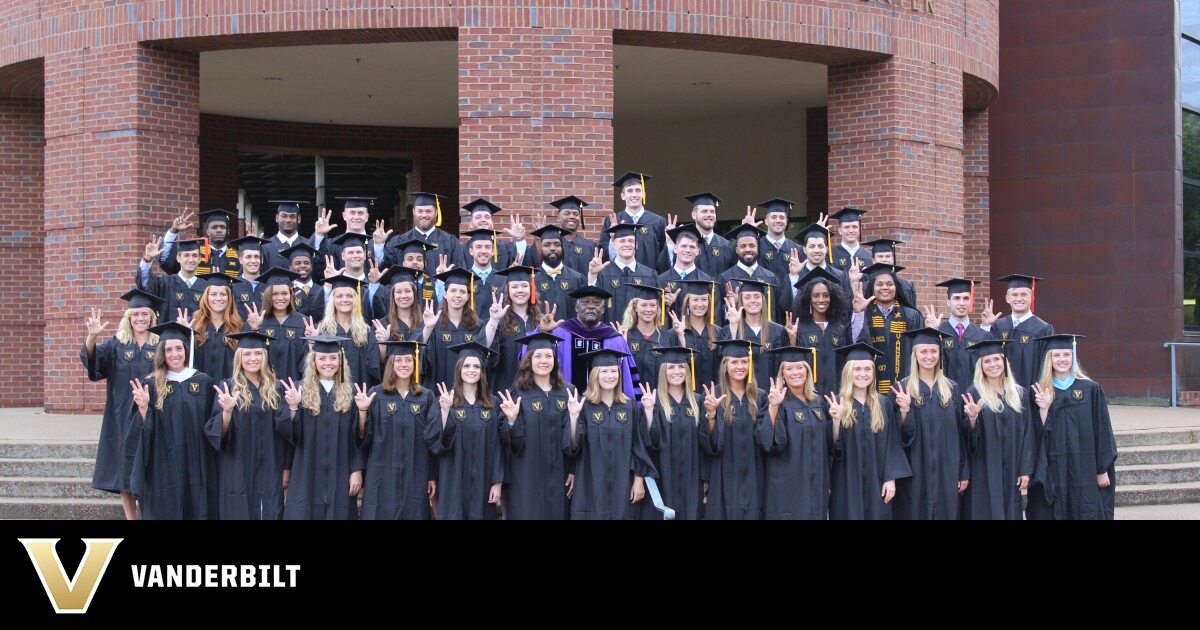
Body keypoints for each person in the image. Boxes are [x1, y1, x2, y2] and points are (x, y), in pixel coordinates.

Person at [81, 289, 163, 520]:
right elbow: (93, 361)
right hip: (121, 415)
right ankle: (131, 518)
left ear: (152, 317)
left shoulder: (160, 344)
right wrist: (92, 337)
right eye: (135, 314)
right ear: (128, 317)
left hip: (153, 413)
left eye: (145, 314)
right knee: (125, 469)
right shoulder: (117, 344)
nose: (140, 318)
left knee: (151, 466)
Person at [126, 322, 216, 520]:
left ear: (186, 350)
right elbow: (139, 432)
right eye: (168, 350)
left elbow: (213, 426)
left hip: (197, 461)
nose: (174, 354)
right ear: (161, 353)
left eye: (179, 348)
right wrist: (143, 408)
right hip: (163, 462)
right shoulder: (151, 384)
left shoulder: (204, 382)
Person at [205, 331, 291, 520]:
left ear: (265, 356)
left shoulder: (276, 388)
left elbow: (285, 433)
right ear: (239, 358)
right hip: (237, 464)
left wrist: (286, 467)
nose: (253, 358)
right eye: (247, 354)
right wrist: (227, 411)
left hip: (272, 464)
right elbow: (219, 434)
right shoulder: (228, 387)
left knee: (271, 510)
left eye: (258, 353)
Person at [1030, 334, 1117, 520]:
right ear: (1049, 359)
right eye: (1056, 355)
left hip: (1085, 467)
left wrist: (1102, 469)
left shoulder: (1091, 389)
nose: (1062, 359)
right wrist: (1044, 408)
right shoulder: (1040, 391)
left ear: (1073, 357)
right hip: (1053, 465)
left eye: (1066, 355)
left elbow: (1102, 430)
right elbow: (1035, 433)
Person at [278, 335, 364, 520]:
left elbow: (357, 437)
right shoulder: (299, 390)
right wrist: (293, 407)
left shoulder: (350, 393)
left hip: (340, 469)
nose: (328, 363)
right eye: (322, 358)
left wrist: (356, 469)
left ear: (341, 361)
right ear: (313, 362)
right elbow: (289, 436)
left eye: (333, 358)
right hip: (306, 469)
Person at [564, 348, 656, 520]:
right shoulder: (583, 405)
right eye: (604, 371)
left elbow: (638, 445)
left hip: (623, 484)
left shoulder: (629, 406)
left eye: (614, 371)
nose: (610, 376)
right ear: (595, 375)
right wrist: (574, 416)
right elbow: (574, 447)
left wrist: (639, 480)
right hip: (590, 482)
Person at [825, 342, 912, 520]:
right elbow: (831, 448)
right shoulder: (837, 404)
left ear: (873, 372)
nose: (863, 374)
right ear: (848, 372)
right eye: (857, 369)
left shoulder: (883, 404)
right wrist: (836, 421)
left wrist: (890, 478)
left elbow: (892, 443)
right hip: (846, 480)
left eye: (867, 369)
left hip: (877, 481)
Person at [891, 328, 970, 520]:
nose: (929, 356)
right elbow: (896, 437)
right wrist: (904, 410)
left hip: (947, 469)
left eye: (934, 351)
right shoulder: (902, 388)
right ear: (915, 355)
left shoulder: (951, 388)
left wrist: (963, 471)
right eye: (923, 351)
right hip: (914, 469)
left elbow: (960, 435)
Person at [358, 340, 438, 520]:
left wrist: (432, 475)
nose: (404, 365)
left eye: (408, 360)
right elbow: (363, 435)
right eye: (399, 360)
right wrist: (362, 411)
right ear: (391, 364)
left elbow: (432, 440)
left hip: (416, 472)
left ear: (415, 363)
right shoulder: (376, 394)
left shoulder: (426, 396)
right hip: (381, 473)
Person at [499, 332, 575, 520]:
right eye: (538, 356)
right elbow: (510, 444)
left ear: (555, 360)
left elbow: (575, 437)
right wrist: (511, 420)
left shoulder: (568, 392)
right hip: (526, 475)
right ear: (528, 361)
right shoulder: (516, 394)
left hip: (560, 474)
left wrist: (573, 470)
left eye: (548, 356)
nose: (544, 361)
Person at [425, 341, 504, 520]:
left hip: (484, 480)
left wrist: (497, 482)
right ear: (459, 369)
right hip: (453, 479)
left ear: (482, 371)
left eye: (477, 366)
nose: (471, 370)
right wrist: (445, 411)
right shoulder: (445, 401)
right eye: (467, 366)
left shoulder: (493, 404)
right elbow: (435, 444)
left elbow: (499, 446)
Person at [959, 339, 1034, 520]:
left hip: (1012, 467)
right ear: (981, 366)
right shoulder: (973, 393)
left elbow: (1028, 433)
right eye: (987, 361)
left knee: (1010, 509)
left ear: (1004, 362)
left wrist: (1025, 469)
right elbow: (966, 437)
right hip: (983, 467)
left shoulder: (1019, 394)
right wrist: (972, 418)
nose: (993, 365)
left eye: (996, 359)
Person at [756, 346, 831, 520]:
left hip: (816, 485)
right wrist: (774, 406)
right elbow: (767, 442)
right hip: (787, 486)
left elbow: (827, 445)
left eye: (799, 367)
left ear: (807, 371)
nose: (795, 372)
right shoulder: (775, 401)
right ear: (782, 374)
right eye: (789, 368)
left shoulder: (818, 402)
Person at [701, 339, 769, 520]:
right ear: (725, 366)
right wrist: (711, 413)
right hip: (723, 473)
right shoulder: (713, 395)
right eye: (734, 362)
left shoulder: (760, 397)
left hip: (754, 474)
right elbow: (710, 444)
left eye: (744, 362)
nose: (740, 367)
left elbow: (767, 439)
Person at [539, 286, 641, 400]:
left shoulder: (615, 339)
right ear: (577, 307)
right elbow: (532, 360)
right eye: (585, 302)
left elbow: (627, 378)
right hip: (564, 403)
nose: (591, 306)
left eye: (597, 303)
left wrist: (631, 406)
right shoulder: (559, 334)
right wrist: (542, 331)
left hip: (603, 407)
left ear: (603, 309)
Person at [640, 347, 706, 520]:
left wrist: (705, 478)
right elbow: (651, 443)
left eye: (681, 367)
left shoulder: (698, 401)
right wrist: (648, 412)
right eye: (671, 367)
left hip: (692, 478)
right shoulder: (654, 402)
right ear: (663, 371)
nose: (677, 371)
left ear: (687, 370)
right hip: (663, 475)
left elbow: (704, 443)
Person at [850, 262, 923, 395]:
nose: (885, 288)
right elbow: (855, 342)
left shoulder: (911, 316)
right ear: (872, 287)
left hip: (906, 389)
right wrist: (858, 313)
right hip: (871, 391)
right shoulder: (863, 314)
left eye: (890, 284)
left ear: (896, 287)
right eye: (879, 284)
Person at [982, 274, 1054, 390]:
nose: (1019, 298)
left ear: (1031, 297)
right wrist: (986, 326)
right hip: (1000, 391)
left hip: (1031, 391)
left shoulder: (1042, 329)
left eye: (1024, 294)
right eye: (1014, 295)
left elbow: (1046, 366)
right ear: (1007, 298)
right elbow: (984, 355)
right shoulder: (999, 326)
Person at [307, 275, 380, 388]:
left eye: (349, 296)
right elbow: (312, 366)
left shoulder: (366, 332)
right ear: (333, 300)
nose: (345, 300)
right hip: (331, 393)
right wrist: (312, 341)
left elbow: (374, 367)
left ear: (356, 300)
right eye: (339, 296)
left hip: (361, 391)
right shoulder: (321, 330)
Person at [422, 268, 488, 390]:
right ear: (445, 294)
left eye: (462, 292)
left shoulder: (477, 326)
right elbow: (421, 361)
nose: (458, 295)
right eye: (453, 290)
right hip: (437, 391)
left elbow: (484, 361)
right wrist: (428, 328)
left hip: (467, 392)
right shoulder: (433, 324)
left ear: (468, 296)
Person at [792, 266, 852, 396]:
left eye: (826, 295)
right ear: (808, 299)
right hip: (808, 395)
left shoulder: (839, 329)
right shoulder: (800, 328)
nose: (821, 300)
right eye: (815, 296)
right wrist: (792, 339)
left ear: (832, 298)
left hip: (836, 394)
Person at [723, 278, 791, 387]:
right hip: (743, 392)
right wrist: (734, 325)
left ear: (763, 300)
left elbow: (784, 364)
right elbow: (726, 358)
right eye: (747, 297)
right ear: (741, 301)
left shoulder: (778, 331)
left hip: (771, 392)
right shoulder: (731, 329)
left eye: (757, 296)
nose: (753, 301)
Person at [718, 223, 790, 323]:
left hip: (768, 332)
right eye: (743, 246)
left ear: (757, 248)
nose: (748, 249)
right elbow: (717, 316)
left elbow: (778, 313)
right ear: (737, 250)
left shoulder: (771, 278)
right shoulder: (724, 278)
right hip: (737, 331)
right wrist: (730, 306)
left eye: (752, 246)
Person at [589, 223, 659, 325]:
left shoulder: (649, 275)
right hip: (610, 331)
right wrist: (592, 275)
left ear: (636, 244)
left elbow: (656, 308)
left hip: (640, 333)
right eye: (622, 241)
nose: (627, 244)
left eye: (631, 241)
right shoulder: (603, 274)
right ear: (614, 245)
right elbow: (593, 303)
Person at [485, 265, 542, 392]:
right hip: (505, 388)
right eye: (514, 287)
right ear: (508, 291)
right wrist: (494, 320)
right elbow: (484, 348)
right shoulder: (499, 321)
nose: (520, 290)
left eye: (524, 286)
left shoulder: (540, 321)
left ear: (531, 289)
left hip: (535, 390)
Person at [183, 273, 245, 384]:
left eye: (223, 294)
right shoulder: (193, 324)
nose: (218, 298)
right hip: (199, 388)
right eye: (213, 294)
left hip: (229, 388)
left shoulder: (238, 326)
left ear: (229, 298)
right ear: (206, 297)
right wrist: (185, 335)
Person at [929, 278, 990, 390]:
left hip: (974, 395)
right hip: (944, 395)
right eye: (956, 298)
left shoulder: (982, 336)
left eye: (966, 298)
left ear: (971, 301)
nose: (962, 303)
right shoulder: (938, 333)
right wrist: (931, 332)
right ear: (948, 302)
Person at [248, 267, 306, 383]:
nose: (280, 298)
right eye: (274, 294)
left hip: (295, 386)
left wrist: (311, 342)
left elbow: (307, 362)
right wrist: (256, 330)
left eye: (285, 293)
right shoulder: (257, 322)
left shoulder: (303, 322)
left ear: (291, 295)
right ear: (267, 295)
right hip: (263, 386)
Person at [666, 279, 726, 390]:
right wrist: (681, 335)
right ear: (688, 303)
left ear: (709, 302)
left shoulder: (718, 333)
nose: (700, 304)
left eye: (704, 299)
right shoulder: (673, 334)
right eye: (695, 300)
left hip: (714, 394)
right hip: (686, 395)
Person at [599, 170, 665, 268]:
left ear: (643, 194)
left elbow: (664, 256)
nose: (634, 195)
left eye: (638, 190)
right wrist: (613, 239)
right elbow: (604, 256)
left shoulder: (658, 221)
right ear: (622, 196)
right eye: (630, 191)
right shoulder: (612, 221)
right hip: (620, 276)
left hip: (650, 276)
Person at [137, 235, 208, 325]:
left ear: (199, 259)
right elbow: (145, 285)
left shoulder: (207, 286)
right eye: (186, 255)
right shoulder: (165, 283)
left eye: (194, 256)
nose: (190, 260)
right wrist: (147, 259)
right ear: (178, 258)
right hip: (169, 334)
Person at [658, 193, 735, 276]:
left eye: (712, 212)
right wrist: (670, 243)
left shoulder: (726, 245)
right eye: (704, 211)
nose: (709, 215)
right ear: (694, 215)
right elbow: (664, 269)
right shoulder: (686, 244)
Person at [383, 192, 460, 273]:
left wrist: (445, 277)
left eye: (428, 211)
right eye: (420, 211)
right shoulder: (399, 241)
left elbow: (459, 272)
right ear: (413, 212)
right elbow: (386, 269)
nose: (424, 215)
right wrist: (379, 244)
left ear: (436, 213)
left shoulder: (450, 241)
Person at [658, 222, 719, 321]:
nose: (688, 250)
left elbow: (714, 318)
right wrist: (666, 305)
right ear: (675, 249)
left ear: (698, 251)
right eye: (683, 246)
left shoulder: (708, 281)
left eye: (692, 247)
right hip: (669, 330)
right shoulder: (660, 280)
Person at [452, 198, 533, 270]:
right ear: (471, 225)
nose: (483, 220)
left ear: (492, 223)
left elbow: (521, 263)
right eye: (478, 217)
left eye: (487, 217)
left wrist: (519, 239)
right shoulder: (461, 250)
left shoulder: (505, 248)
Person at [745, 199, 803, 300]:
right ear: (766, 221)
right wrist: (748, 231)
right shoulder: (756, 247)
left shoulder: (797, 249)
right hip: (762, 301)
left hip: (789, 302)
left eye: (782, 217)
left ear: (786, 222)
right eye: (774, 217)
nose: (778, 220)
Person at [311, 197, 386, 276]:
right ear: (344, 216)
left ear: (367, 217)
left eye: (360, 213)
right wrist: (319, 235)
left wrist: (379, 245)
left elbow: (383, 269)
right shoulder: (333, 244)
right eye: (352, 213)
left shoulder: (376, 243)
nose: (356, 217)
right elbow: (317, 266)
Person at [161, 209, 242, 279]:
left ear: (228, 231)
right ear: (207, 231)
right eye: (214, 227)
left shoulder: (238, 257)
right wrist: (174, 230)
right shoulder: (194, 254)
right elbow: (167, 263)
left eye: (223, 227)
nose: (219, 230)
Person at [617, 284, 672, 386]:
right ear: (635, 308)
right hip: (631, 394)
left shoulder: (666, 338)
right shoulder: (625, 336)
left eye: (653, 305)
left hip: (658, 394)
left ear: (657, 308)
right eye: (643, 305)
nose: (648, 309)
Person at [529, 225, 585, 319]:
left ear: (562, 248)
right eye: (547, 245)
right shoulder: (531, 279)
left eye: (557, 244)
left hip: (569, 328)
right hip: (541, 328)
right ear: (540, 249)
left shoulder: (577, 278)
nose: (552, 248)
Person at [863, 237, 917, 308]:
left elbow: (913, 310)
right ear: (873, 260)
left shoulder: (907, 286)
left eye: (888, 256)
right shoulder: (865, 286)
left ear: (892, 259)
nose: (884, 259)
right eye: (880, 256)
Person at [261, 200, 315, 271]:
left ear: (299, 219)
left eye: (292, 217)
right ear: (277, 218)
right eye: (284, 216)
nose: (288, 220)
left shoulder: (308, 245)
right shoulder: (266, 247)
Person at [548, 195, 596, 275]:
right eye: (567, 213)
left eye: (576, 214)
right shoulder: (550, 245)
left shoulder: (590, 246)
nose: (572, 216)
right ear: (558, 218)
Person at [279, 241, 325, 320]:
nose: (303, 266)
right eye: (298, 263)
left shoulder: (321, 290)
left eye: (306, 263)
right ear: (290, 268)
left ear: (311, 266)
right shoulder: (287, 292)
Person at [228, 235, 269, 316]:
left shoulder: (268, 286)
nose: (253, 261)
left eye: (256, 257)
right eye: (248, 257)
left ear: (261, 260)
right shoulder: (232, 287)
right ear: (240, 260)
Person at [828, 206, 873, 275]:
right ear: (840, 230)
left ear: (860, 230)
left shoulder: (869, 256)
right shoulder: (830, 255)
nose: (851, 231)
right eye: (846, 227)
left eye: (854, 227)